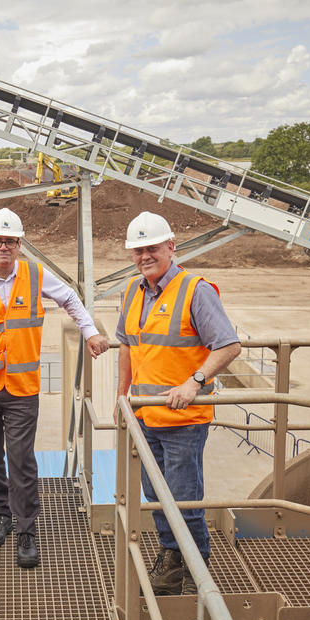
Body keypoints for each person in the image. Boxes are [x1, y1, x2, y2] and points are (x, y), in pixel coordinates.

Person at [0, 208, 110, 569]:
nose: (3, 247)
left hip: (22, 389)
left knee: (21, 458)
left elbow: (70, 298)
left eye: (10, 241)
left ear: (20, 245)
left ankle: (25, 528)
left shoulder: (36, 276)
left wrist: (90, 332)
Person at [115, 211, 241, 595]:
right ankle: (172, 560)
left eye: (152, 248)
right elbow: (127, 346)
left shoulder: (195, 290)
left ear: (171, 247)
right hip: (145, 416)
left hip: (184, 420)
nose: (144, 256)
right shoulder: (132, 290)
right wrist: (121, 397)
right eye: (138, 251)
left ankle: (196, 569)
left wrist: (194, 382)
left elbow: (228, 345)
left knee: (184, 500)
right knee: (155, 496)